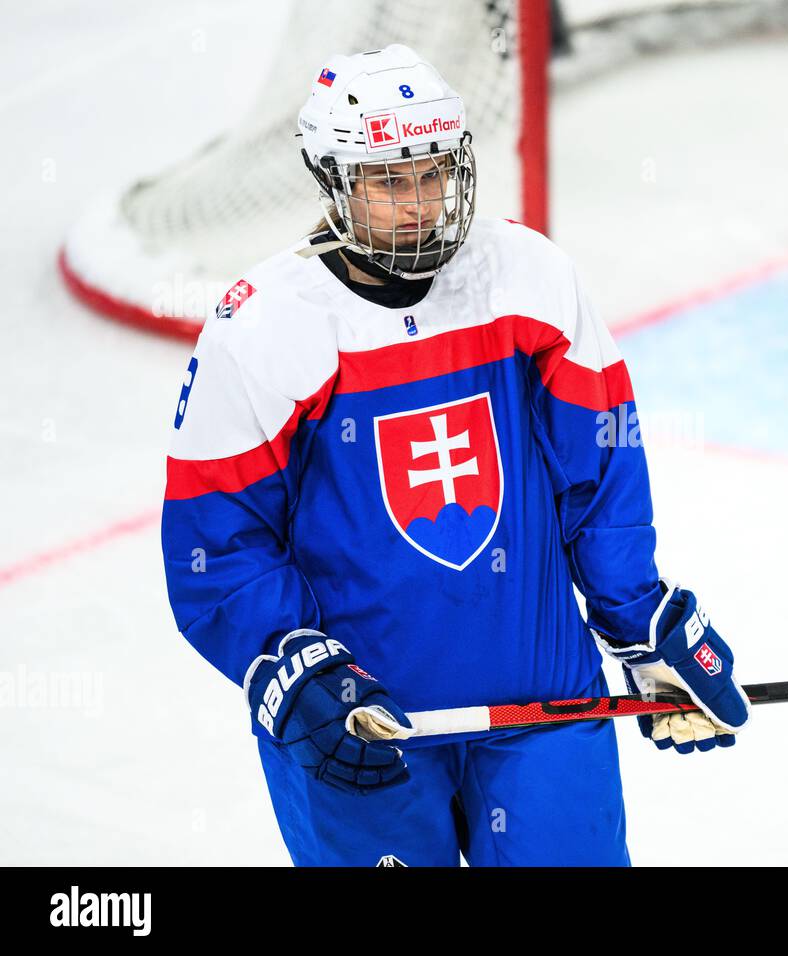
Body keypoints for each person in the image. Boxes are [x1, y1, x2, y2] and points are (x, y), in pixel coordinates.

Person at [161, 44, 750, 867]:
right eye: (389, 182)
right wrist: (286, 664)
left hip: (544, 704)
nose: (420, 204)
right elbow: (217, 544)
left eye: (434, 172)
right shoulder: (264, 325)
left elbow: (600, 472)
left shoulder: (528, 276)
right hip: (361, 724)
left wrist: (642, 623)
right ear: (333, 180)